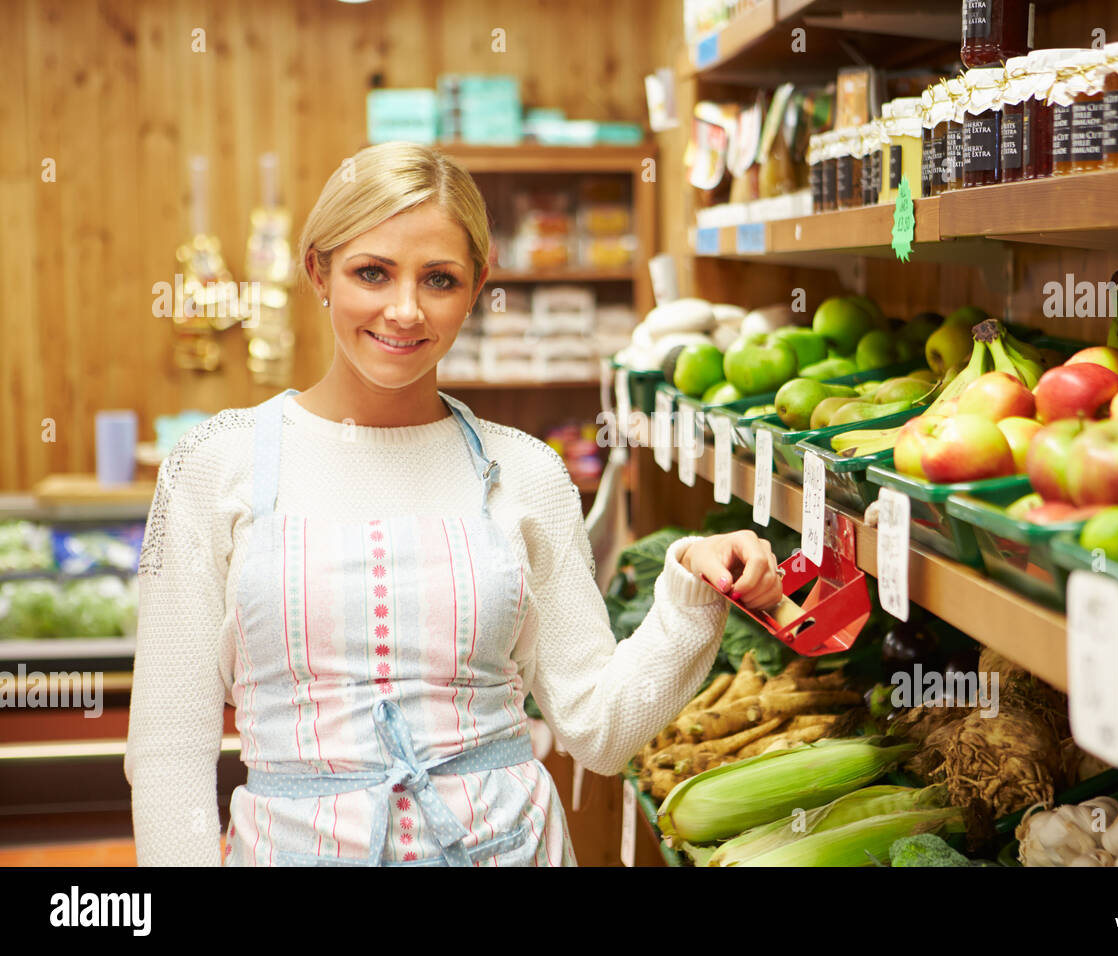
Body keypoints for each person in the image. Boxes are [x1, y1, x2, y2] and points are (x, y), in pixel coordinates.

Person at [124, 141, 784, 866]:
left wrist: (693, 587)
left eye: (438, 279)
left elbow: (600, 729)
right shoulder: (213, 465)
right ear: (318, 270)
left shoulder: (526, 471)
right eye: (371, 272)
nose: (403, 311)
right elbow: (168, 753)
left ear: (477, 286)